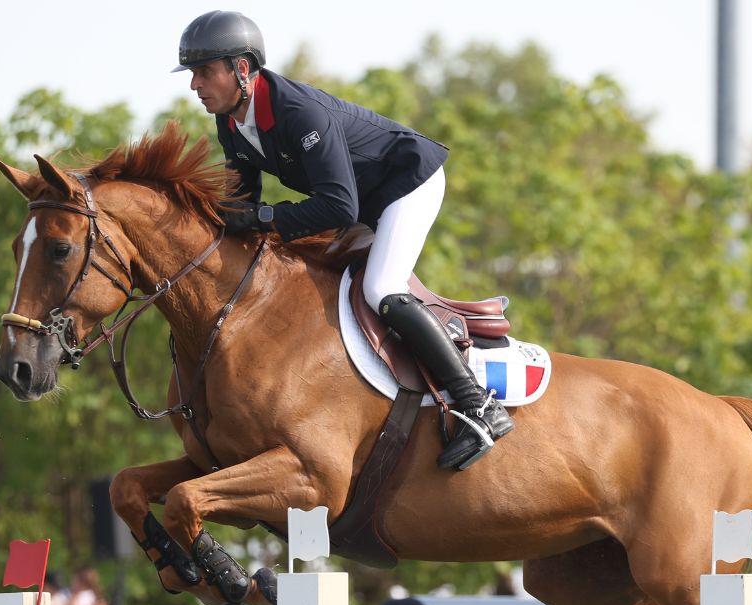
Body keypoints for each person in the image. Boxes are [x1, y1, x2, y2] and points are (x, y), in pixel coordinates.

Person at [176, 10, 513, 471]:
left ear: (242, 69)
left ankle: (478, 406)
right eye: (192, 74)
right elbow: (242, 206)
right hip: (363, 198)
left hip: (407, 183)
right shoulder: (231, 121)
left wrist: (263, 218)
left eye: (204, 71)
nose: (195, 85)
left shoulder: (298, 112)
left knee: (380, 290)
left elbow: (338, 208)